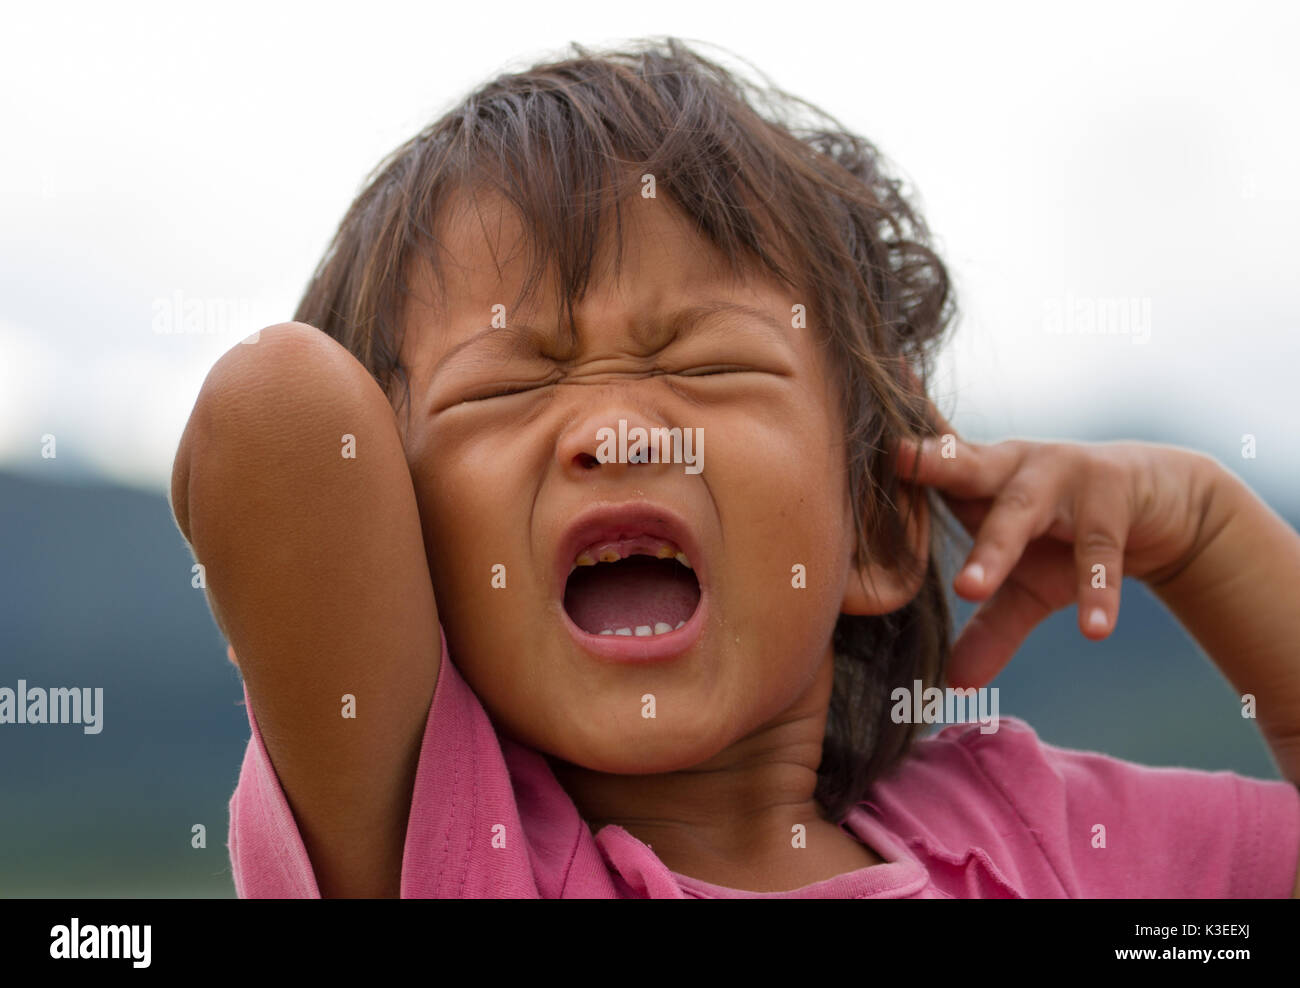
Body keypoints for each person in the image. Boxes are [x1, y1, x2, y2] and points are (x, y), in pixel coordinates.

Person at [169, 38, 1300, 898]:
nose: (617, 431)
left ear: (872, 522)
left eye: (706, 364)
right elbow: (279, 418)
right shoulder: (448, 848)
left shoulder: (1031, 837)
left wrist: (1208, 533)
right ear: (403, 551)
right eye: (509, 385)